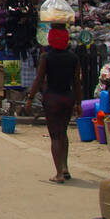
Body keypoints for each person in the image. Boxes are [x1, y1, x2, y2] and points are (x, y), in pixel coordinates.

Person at [24, 27, 83, 183]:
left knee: (55, 136)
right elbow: (77, 82)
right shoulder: (73, 58)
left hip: (52, 98)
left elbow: (39, 79)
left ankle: (59, 174)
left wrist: (30, 98)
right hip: (67, 98)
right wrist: (79, 103)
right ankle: (65, 167)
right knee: (63, 133)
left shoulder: (46, 57)